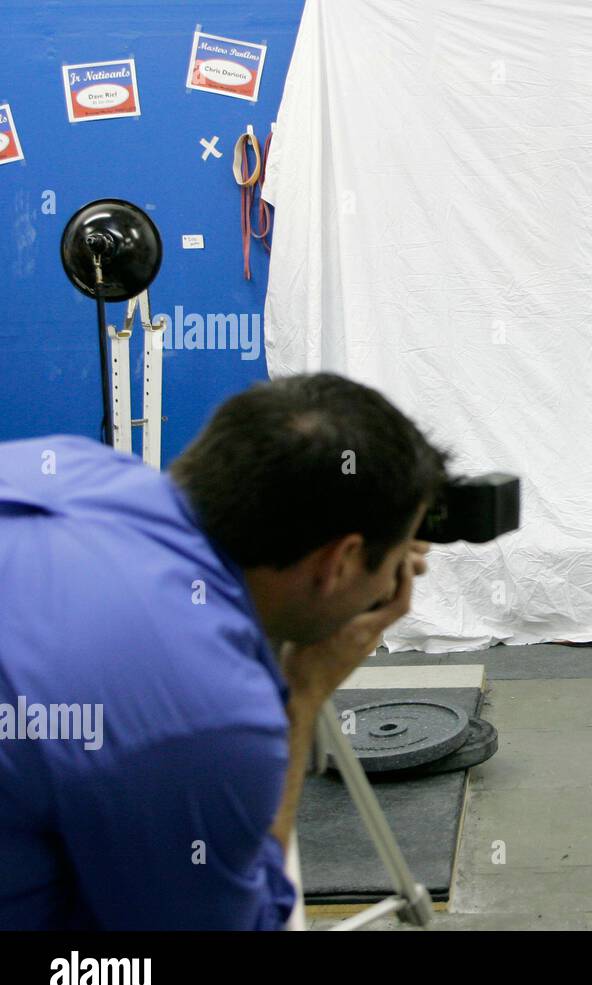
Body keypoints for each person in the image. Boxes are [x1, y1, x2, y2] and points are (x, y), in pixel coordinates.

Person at [0, 373, 448, 928]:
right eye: (396, 563)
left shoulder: (65, 463)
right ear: (339, 563)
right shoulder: (208, 715)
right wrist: (302, 697)